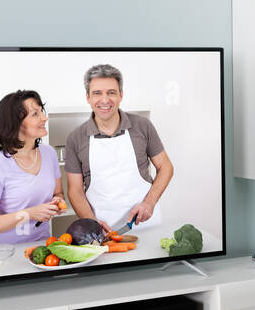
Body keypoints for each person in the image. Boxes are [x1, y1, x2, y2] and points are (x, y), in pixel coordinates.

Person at [63, 63, 174, 234]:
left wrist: (149, 203)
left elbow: (165, 167)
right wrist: (93, 225)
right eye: (97, 93)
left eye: (111, 93)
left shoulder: (142, 126)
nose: (105, 100)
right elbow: (75, 191)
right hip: (102, 230)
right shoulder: (75, 138)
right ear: (88, 97)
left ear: (121, 95)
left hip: (145, 224)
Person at [0, 89, 65, 245]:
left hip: (42, 245)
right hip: (6, 252)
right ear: (15, 123)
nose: (44, 117)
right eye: (35, 114)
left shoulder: (49, 154)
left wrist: (58, 201)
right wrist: (29, 214)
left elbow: (58, 192)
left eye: (41, 111)